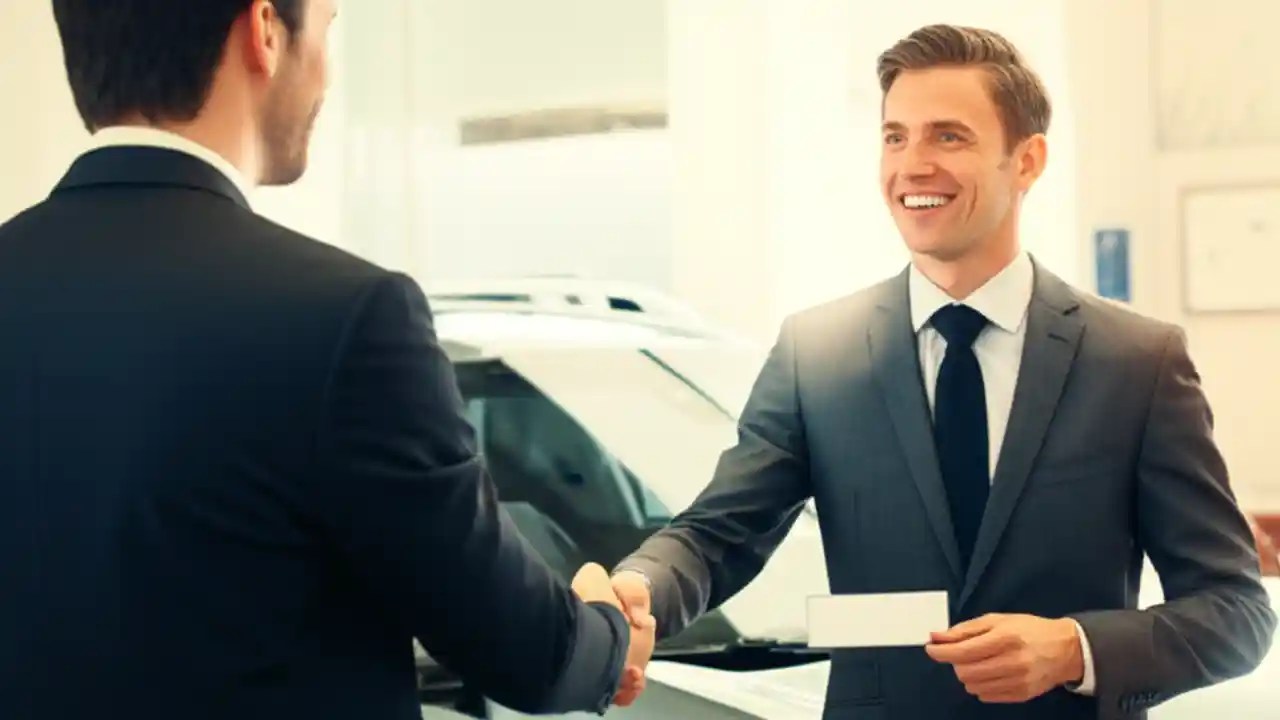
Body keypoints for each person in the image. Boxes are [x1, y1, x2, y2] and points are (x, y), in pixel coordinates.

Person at [0, 1, 651, 718]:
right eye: (329, 26)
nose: (328, 73)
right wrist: (605, 629)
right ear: (265, 31)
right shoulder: (344, 317)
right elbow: (531, 654)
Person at [610, 23, 1275, 720]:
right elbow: (719, 534)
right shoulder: (818, 353)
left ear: (1027, 161)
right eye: (895, 137)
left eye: (948, 137)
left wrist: (1074, 649)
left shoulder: (1136, 362)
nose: (913, 165)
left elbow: (1235, 610)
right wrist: (640, 587)